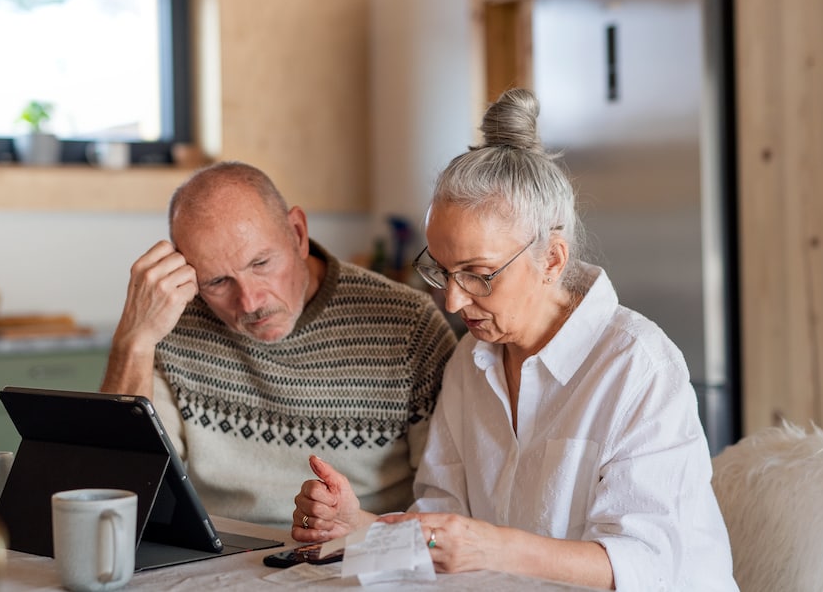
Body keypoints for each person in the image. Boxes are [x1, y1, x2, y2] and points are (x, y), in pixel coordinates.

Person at [291, 89, 737, 591]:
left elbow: (646, 564)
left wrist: (493, 548)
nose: (453, 301)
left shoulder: (638, 367)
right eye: (442, 271)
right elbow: (444, 529)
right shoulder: (470, 361)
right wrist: (359, 527)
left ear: (552, 260)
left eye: (478, 274)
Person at [100, 161, 457, 528]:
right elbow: (120, 491)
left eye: (261, 263)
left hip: (361, 550)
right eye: (218, 282)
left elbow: (450, 507)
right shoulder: (171, 322)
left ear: (298, 233)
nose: (250, 302)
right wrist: (133, 340)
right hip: (220, 551)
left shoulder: (409, 324)